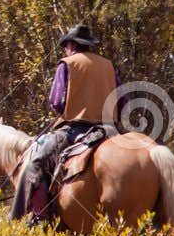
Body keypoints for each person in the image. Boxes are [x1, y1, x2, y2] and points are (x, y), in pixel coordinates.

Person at [11, 24, 123, 224]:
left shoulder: (68, 64)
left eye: (66, 46)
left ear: (71, 45)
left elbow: (56, 102)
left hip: (76, 129)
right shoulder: (108, 65)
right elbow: (123, 101)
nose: (65, 50)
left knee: (36, 162)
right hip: (110, 130)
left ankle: (40, 216)